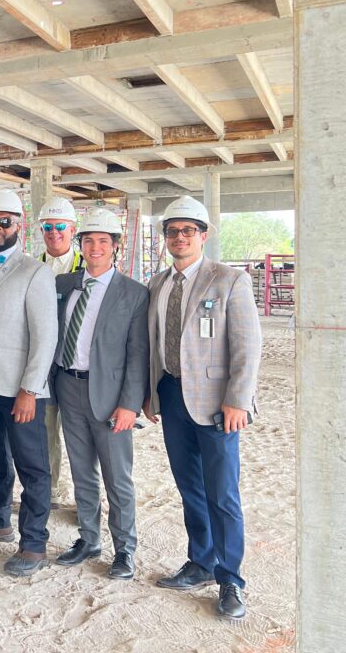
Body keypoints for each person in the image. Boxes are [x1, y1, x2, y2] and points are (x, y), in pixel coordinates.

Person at [143, 196, 261, 620]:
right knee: (190, 487)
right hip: (172, 397)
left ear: (203, 235)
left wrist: (238, 400)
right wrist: (149, 394)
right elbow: (153, 344)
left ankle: (230, 578)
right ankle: (201, 562)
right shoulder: (157, 283)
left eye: (187, 230)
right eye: (172, 231)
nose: (179, 237)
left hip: (217, 405)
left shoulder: (229, 280)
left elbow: (248, 347)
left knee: (223, 494)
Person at [0, 189, 58, 577]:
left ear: (18, 226)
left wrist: (30, 389)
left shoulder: (35, 272)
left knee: (32, 466)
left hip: (20, 391)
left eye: (5, 222)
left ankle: (33, 543)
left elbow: (45, 335)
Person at [52, 209, 149, 580]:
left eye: (103, 242)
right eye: (88, 240)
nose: (94, 248)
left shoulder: (133, 294)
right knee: (82, 472)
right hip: (68, 387)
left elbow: (138, 355)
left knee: (117, 477)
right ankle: (89, 539)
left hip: (110, 397)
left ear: (115, 248)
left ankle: (124, 549)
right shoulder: (64, 285)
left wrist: (129, 405)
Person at [38, 196, 83, 509]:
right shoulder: (31, 267)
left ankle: (86, 501)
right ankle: (50, 491)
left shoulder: (90, 266)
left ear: (73, 230)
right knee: (45, 433)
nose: (54, 233)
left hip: (79, 366)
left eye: (60, 227)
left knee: (81, 438)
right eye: (48, 227)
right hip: (43, 366)